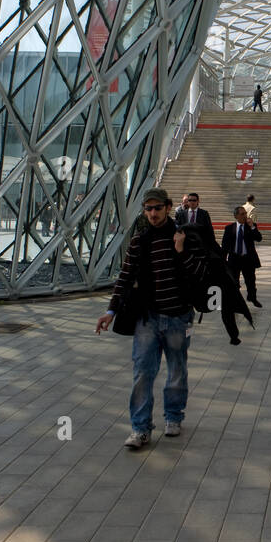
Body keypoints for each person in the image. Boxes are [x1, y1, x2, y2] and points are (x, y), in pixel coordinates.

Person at [96, 188, 206, 450]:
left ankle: (173, 417)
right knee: (143, 372)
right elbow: (125, 277)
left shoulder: (184, 235)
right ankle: (140, 428)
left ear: (168, 207)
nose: (153, 213)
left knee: (177, 370)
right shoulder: (139, 240)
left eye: (157, 208)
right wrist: (110, 312)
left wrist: (181, 251)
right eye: (148, 209)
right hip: (147, 318)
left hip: (179, 316)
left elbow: (200, 272)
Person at [221, 205, 262, 308]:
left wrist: (252, 226)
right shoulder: (229, 228)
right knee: (234, 282)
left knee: (251, 281)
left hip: (248, 259)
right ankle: (235, 301)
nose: (245, 216)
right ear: (236, 216)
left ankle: (252, 298)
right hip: (234, 259)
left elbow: (259, 238)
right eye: (242, 214)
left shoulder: (251, 226)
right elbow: (225, 245)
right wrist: (223, 260)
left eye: (245, 213)